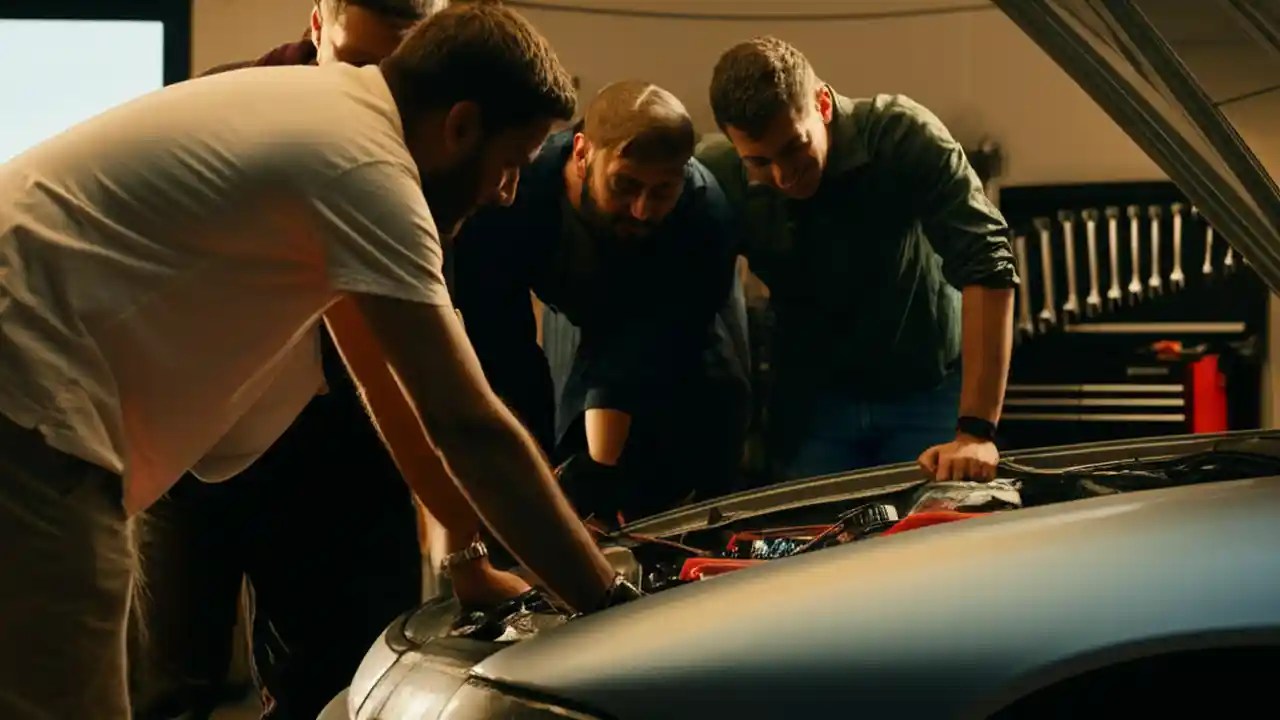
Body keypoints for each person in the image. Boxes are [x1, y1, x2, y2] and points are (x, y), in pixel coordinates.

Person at [0, 5, 636, 720]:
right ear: (460, 126)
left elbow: (386, 383)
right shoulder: (367, 169)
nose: (507, 192)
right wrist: (612, 610)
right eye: (511, 165)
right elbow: (468, 425)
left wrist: (462, 562)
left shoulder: (330, 119)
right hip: (28, 393)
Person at [128, 2, 490, 718]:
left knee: (351, 677)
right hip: (196, 426)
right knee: (176, 686)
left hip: (344, 446)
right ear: (318, 24)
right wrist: (467, 552)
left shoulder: (448, 131)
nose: (381, 98)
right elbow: (392, 372)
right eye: (361, 64)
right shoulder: (238, 113)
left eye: (404, 73)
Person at [696, 36, 1020, 484]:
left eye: (794, 147)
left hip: (925, 390)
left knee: (932, 543)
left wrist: (976, 432)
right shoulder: (717, 175)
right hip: (812, 410)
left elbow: (986, 256)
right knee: (818, 550)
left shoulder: (900, 134)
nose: (783, 175)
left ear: (823, 104)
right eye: (759, 161)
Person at [451, 80, 752, 528]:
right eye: (625, 185)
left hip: (682, 358)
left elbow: (636, 351)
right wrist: (529, 464)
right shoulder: (518, 190)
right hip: (578, 317)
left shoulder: (704, 218)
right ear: (581, 153)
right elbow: (495, 330)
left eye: (661, 192)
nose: (642, 210)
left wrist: (597, 470)